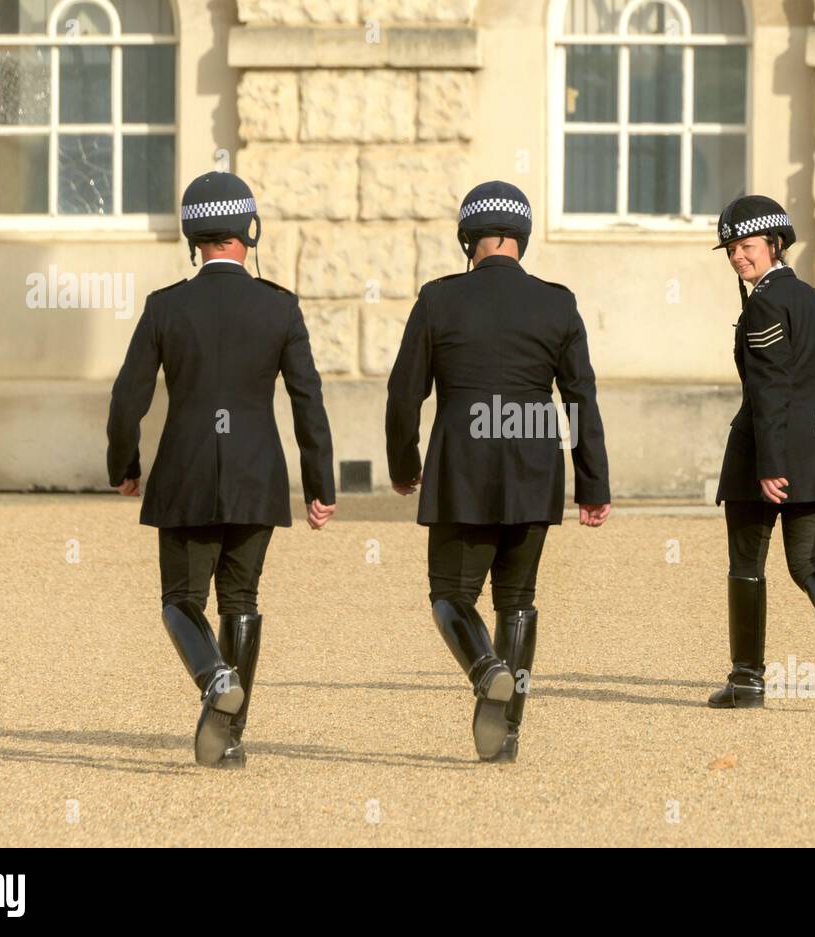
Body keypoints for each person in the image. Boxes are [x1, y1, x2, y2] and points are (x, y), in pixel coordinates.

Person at [106, 171, 337, 768]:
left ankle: (213, 679)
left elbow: (127, 398)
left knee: (181, 600)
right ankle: (231, 739)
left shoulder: (165, 307)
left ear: (193, 238)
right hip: (258, 473)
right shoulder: (280, 306)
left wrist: (124, 465)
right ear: (247, 233)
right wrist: (320, 485)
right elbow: (308, 400)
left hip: (184, 471)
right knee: (241, 601)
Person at [385, 180, 611, 762]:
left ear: (469, 239)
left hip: (463, 463)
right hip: (535, 460)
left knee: (450, 593)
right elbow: (580, 397)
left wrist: (404, 465)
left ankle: (486, 670)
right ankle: (507, 734)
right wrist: (593, 483)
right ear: (522, 239)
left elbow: (402, 395)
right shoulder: (559, 301)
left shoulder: (437, 299)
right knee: (517, 601)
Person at [708, 195, 815, 713]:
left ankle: (748, 681)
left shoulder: (764, 304)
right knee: (810, 564)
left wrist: (772, 463)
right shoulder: (814, 300)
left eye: (747, 246)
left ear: (775, 245)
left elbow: (770, 387)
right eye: (731, 248)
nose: (738, 255)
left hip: (765, 454)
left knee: (747, 566)